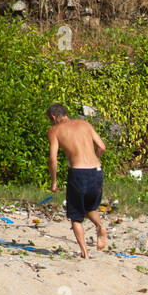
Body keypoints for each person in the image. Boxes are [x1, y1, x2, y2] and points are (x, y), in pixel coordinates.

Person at [46, 103, 107, 259]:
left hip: (78, 173)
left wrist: (54, 182)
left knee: (75, 215)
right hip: (97, 170)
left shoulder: (55, 130)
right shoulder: (85, 124)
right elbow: (102, 147)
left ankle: (84, 253)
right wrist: (93, 159)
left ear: (53, 117)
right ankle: (100, 226)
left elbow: (53, 159)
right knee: (90, 207)